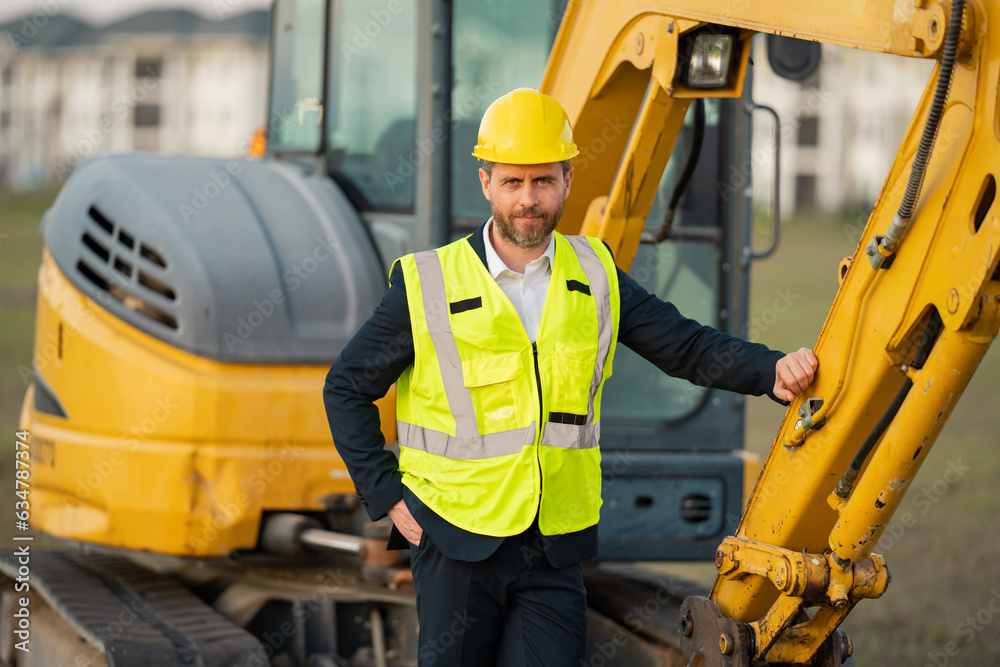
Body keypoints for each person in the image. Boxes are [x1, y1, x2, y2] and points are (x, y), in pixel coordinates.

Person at [323, 88, 818, 667]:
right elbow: (346, 387)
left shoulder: (597, 273)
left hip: (553, 547)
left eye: (543, 181)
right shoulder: (427, 282)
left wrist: (769, 369)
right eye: (512, 182)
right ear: (486, 183)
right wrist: (386, 498)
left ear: (568, 180)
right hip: (454, 540)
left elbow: (685, 346)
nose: (528, 199)